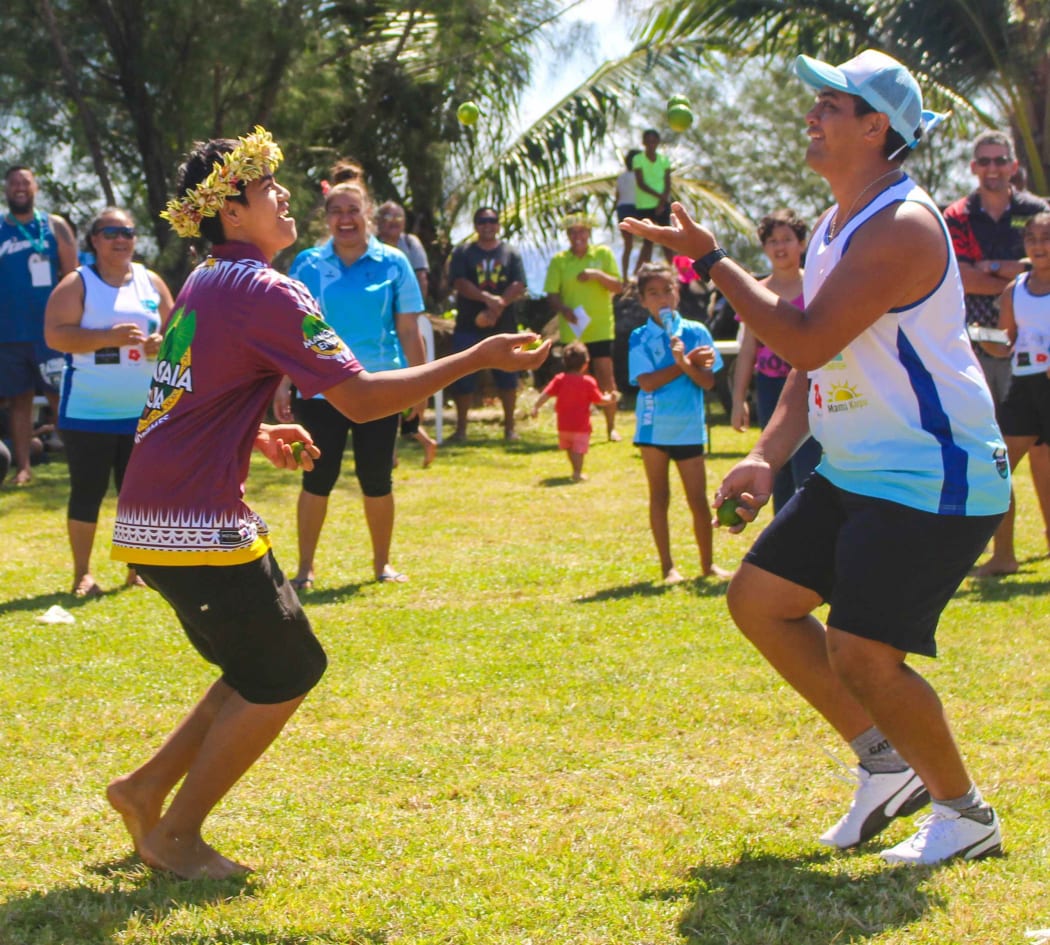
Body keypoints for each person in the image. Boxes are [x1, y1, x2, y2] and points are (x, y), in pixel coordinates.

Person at [105, 128, 548, 880]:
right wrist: (476, 355)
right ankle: (175, 834)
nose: (284, 197)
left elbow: (185, 402)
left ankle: (144, 790)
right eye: (267, 187)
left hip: (160, 512)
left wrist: (260, 432)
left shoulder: (206, 282)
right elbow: (362, 399)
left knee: (258, 664)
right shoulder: (267, 288)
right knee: (287, 669)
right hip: (195, 521)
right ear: (231, 212)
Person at [623, 50, 1010, 865]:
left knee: (863, 654)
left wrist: (710, 258)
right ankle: (885, 767)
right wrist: (767, 455)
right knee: (759, 601)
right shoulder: (835, 223)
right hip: (856, 467)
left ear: (878, 128)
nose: (812, 116)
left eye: (831, 105)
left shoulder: (901, 226)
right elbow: (815, 361)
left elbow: (800, 334)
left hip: (931, 473)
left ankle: (964, 812)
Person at [275, 180, 428, 587]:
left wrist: (420, 387)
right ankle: (305, 570)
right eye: (336, 211)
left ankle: (382, 566)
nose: (345, 219)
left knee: (377, 480)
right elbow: (292, 331)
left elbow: (410, 332)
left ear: (368, 215)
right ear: (326, 219)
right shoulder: (306, 264)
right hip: (320, 389)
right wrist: (281, 383)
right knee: (316, 479)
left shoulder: (394, 263)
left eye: (352, 210)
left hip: (380, 387)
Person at [44, 207, 174, 598]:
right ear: (95, 240)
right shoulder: (78, 283)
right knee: (88, 491)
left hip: (142, 411)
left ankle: (138, 568)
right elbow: (55, 336)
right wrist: (106, 337)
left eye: (128, 232)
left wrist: (160, 344)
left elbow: (179, 332)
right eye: (112, 232)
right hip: (89, 411)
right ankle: (82, 573)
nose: (122, 239)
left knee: (138, 495)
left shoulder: (150, 282)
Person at [944, 131, 1050, 572]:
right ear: (973, 166)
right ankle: (1001, 555)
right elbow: (960, 277)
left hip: (1035, 366)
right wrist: (1014, 274)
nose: (992, 168)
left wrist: (992, 268)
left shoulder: (1037, 211)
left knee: (1043, 459)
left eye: (1000, 160)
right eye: (984, 160)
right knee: (995, 456)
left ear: (1012, 165)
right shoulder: (957, 215)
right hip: (981, 346)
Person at [627, 263, 727, 583]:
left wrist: (688, 363)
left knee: (698, 499)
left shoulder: (697, 332)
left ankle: (707, 564)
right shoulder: (639, 337)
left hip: (688, 428)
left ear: (678, 292)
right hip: (653, 428)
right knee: (660, 496)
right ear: (643, 301)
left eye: (667, 290)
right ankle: (667, 566)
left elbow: (708, 382)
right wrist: (682, 363)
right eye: (652, 293)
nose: (661, 298)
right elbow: (646, 383)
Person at [972, 213, 1050, 575]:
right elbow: (1009, 343)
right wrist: (985, 340)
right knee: (996, 469)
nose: (1039, 245)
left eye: (1046, 237)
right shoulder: (1014, 289)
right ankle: (1004, 557)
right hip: (1024, 387)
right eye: (1032, 238)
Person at [730, 209, 822, 513]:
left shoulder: (818, 287)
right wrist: (738, 398)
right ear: (764, 247)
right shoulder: (756, 293)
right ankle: (784, 533)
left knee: (809, 466)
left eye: (787, 239)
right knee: (774, 469)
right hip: (770, 386)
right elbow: (747, 350)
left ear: (802, 243)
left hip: (811, 385)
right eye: (772, 241)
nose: (780, 247)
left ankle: (812, 528)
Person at [0, 165, 77, 484]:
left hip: (52, 332)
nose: (20, 187)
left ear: (36, 188)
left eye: (26, 182)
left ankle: (79, 466)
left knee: (63, 399)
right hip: (9, 332)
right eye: (14, 182)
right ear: (6, 189)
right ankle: (23, 468)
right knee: (21, 402)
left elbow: (74, 276)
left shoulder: (54, 226)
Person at [447, 207, 528, 441]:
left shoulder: (510, 253)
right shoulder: (463, 252)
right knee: (462, 376)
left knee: (509, 375)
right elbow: (459, 282)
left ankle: (510, 429)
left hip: (504, 326)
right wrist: (487, 300)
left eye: (492, 221)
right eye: (482, 221)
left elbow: (519, 283)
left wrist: (498, 305)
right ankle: (461, 429)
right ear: (475, 225)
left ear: (498, 225)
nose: (487, 225)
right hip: (468, 324)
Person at [543, 212, 624, 441]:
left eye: (582, 231)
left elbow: (618, 286)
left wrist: (597, 274)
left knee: (606, 378)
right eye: (573, 231)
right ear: (568, 235)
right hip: (573, 330)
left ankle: (611, 428)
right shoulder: (559, 260)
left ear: (589, 233)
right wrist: (564, 310)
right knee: (576, 382)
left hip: (600, 327)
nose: (578, 236)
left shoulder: (603, 254)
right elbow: (551, 293)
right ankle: (580, 427)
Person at [374, 199, 439, 468]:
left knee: (399, 391)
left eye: (397, 217)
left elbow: (422, 278)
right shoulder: (367, 245)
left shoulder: (410, 245)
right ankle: (395, 452)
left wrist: (412, 313)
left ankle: (397, 450)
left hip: (405, 325)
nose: (392, 222)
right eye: (387, 217)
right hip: (378, 330)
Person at [531, 340, 616, 482]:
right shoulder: (588, 382)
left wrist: (536, 407)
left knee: (570, 448)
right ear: (585, 364)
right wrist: (610, 398)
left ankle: (575, 469)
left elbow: (546, 393)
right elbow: (599, 400)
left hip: (563, 424)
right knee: (579, 451)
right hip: (581, 426)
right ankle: (577, 472)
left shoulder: (560, 379)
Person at [631, 130, 673, 269]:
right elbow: (641, 183)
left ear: (657, 142)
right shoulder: (638, 159)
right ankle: (644, 272)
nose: (651, 144)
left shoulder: (664, 160)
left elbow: (667, 182)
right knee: (648, 240)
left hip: (662, 203)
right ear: (643, 143)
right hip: (645, 205)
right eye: (648, 141)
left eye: (653, 141)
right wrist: (659, 196)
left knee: (667, 239)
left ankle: (675, 271)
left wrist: (662, 201)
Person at [615, 148, 641, 276]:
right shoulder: (640, 176)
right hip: (635, 209)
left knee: (628, 245)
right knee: (647, 241)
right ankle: (635, 272)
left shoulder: (621, 177)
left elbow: (617, 197)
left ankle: (626, 275)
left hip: (622, 209)